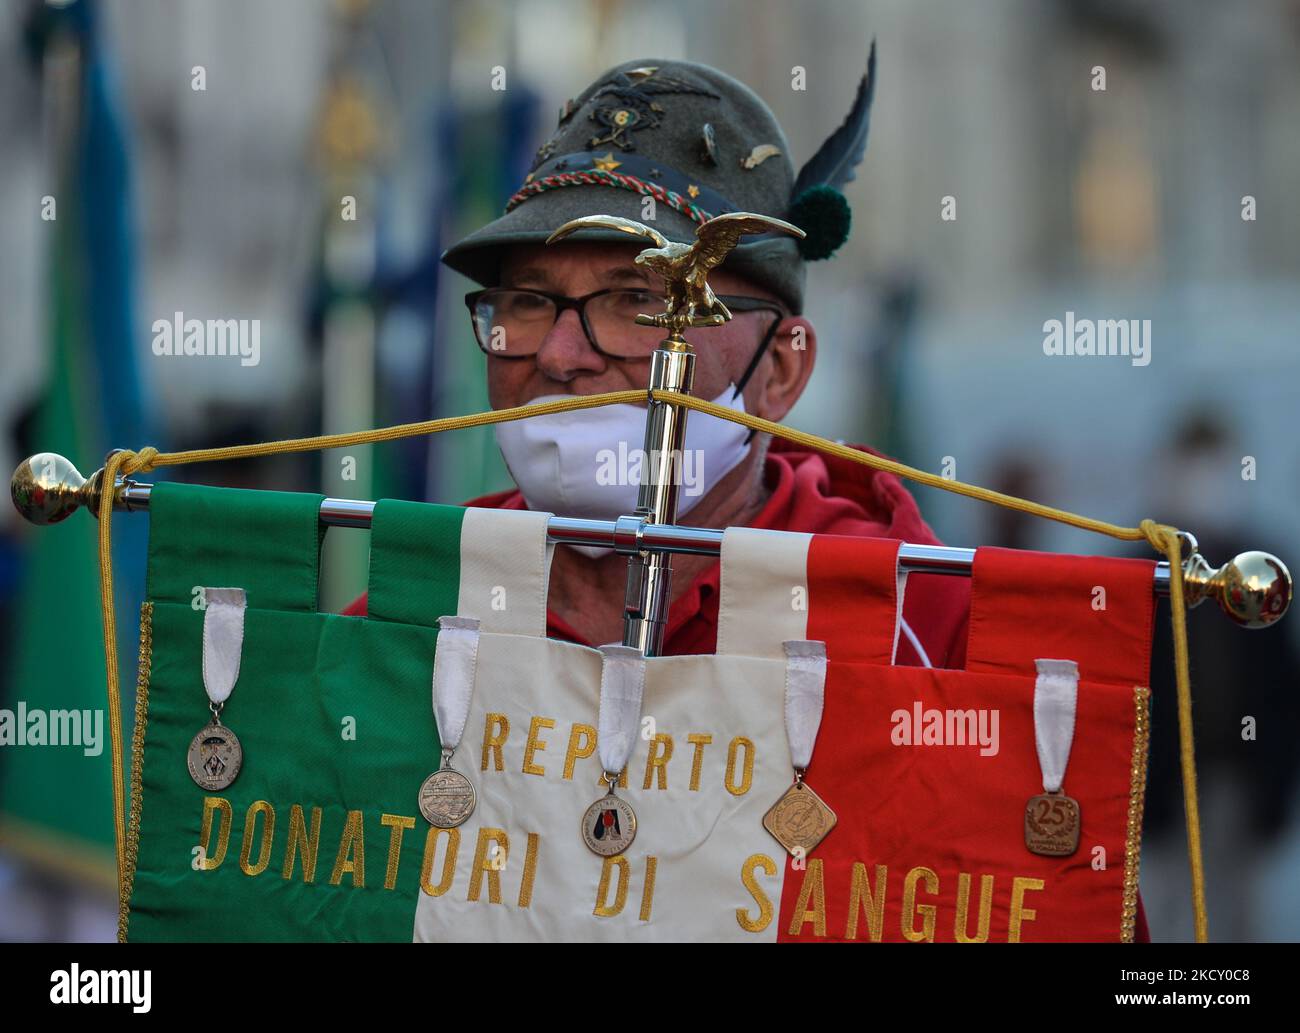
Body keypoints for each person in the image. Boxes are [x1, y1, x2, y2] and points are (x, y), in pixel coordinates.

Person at [341, 53, 1149, 938]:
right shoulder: (410, 604)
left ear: (782, 372)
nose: (561, 355)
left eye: (639, 299)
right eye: (527, 301)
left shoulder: (931, 628)